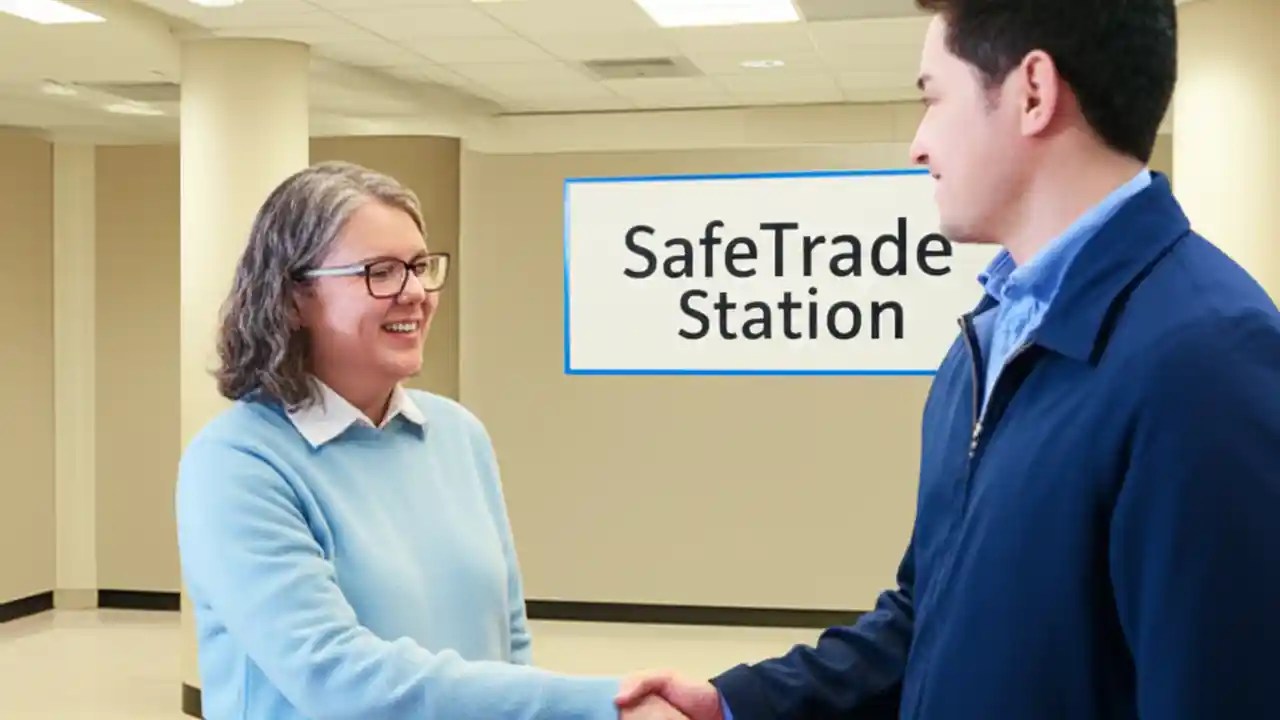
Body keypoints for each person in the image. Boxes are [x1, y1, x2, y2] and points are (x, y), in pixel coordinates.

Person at [615, 0, 1280, 718]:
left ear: (1032, 92)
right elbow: (926, 620)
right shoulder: (987, 343)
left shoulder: (1206, 361)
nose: (918, 145)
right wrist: (733, 704)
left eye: (933, 98)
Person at [175, 161, 685, 720]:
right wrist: (599, 707)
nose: (415, 292)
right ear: (295, 298)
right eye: (380, 272)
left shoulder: (457, 434)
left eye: (419, 267)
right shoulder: (238, 463)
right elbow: (336, 678)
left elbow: (507, 641)